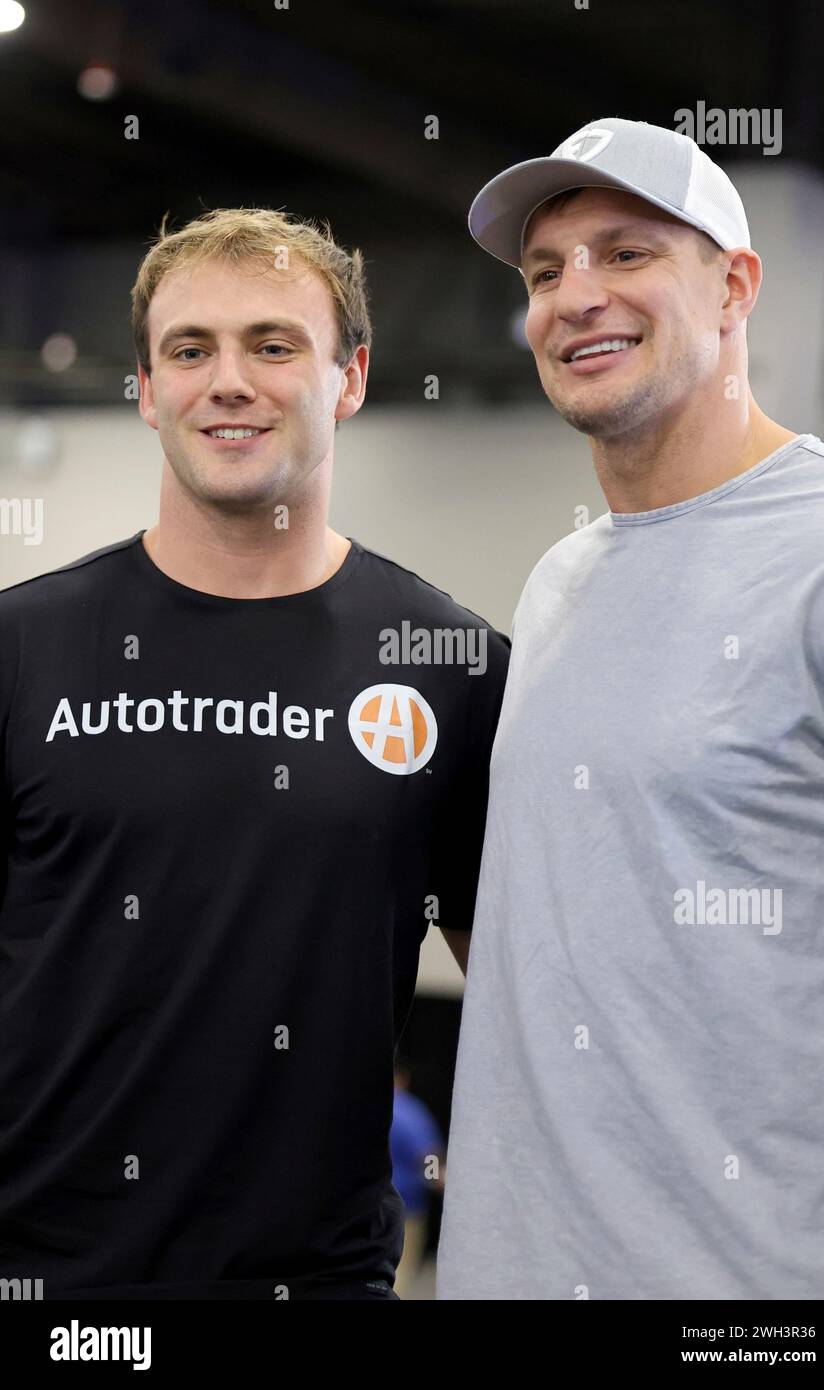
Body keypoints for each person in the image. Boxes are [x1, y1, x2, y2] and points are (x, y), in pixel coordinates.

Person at [0, 207, 509, 1300]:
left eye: (274, 344)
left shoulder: (450, 667)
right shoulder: (21, 646)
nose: (229, 380)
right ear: (144, 388)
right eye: (190, 350)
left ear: (350, 376)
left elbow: (523, 992)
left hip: (315, 1285)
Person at [437, 116, 824, 1300]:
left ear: (733, 287)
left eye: (624, 254)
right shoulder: (563, 577)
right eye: (543, 271)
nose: (574, 296)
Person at [389, 1053, 444, 1297]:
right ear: (402, 1076)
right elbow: (428, 1158)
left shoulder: (353, 1106)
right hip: (404, 1213)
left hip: (361, 1210)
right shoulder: (407, 1111)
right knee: (399, 1278)